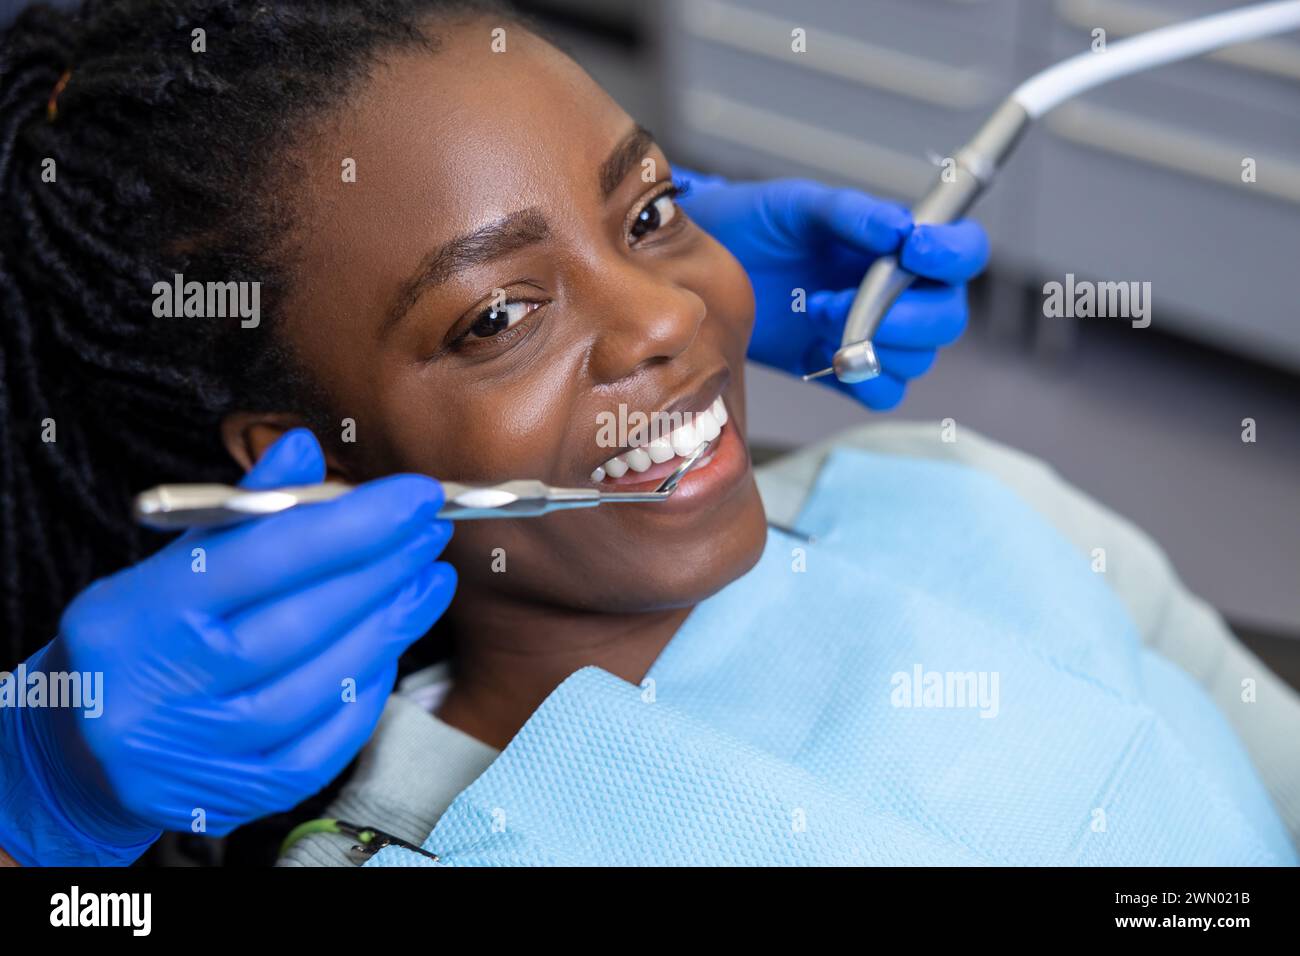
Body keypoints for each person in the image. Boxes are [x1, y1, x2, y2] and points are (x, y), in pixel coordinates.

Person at [1, 0, 1293, 868]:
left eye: (651, 211)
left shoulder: (947, 490)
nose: (664, 318)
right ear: (306, 459)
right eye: (495, 313)